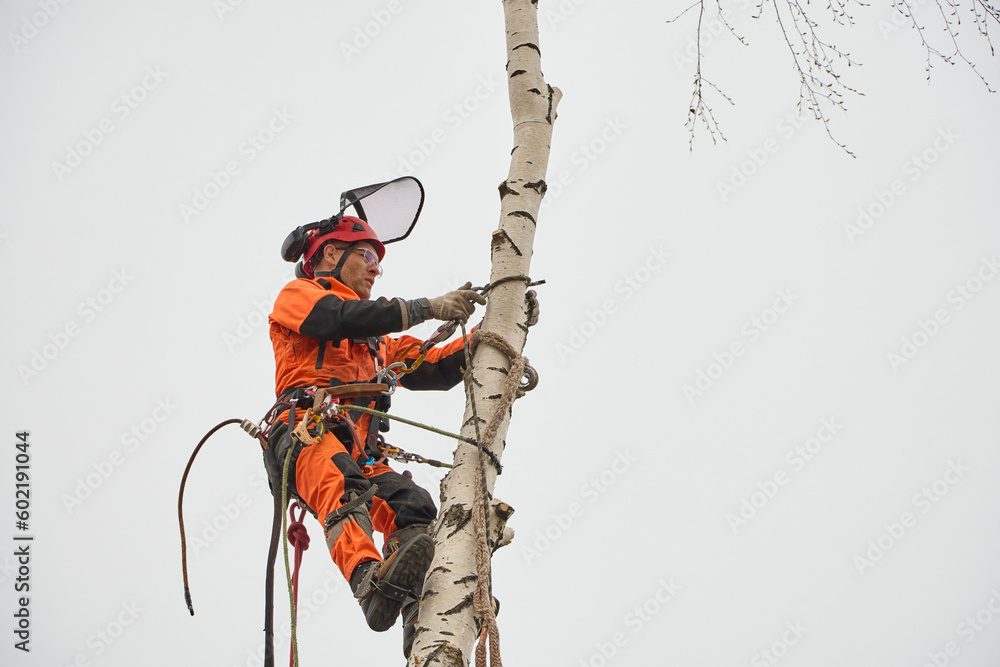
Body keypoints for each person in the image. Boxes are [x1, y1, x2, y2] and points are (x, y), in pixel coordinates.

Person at [266, 215, 486, 657]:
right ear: (330, 253)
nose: (376, 267)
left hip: (361, 451)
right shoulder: (300, 296)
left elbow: (435, 365)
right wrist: (427, 307)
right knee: (343, 486)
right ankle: (369, 583)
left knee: (415, 507)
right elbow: (338, 317)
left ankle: (418, 613)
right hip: (305, 431)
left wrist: (497, 329)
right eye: (367, 255)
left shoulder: (377, 342)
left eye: (377, 260)